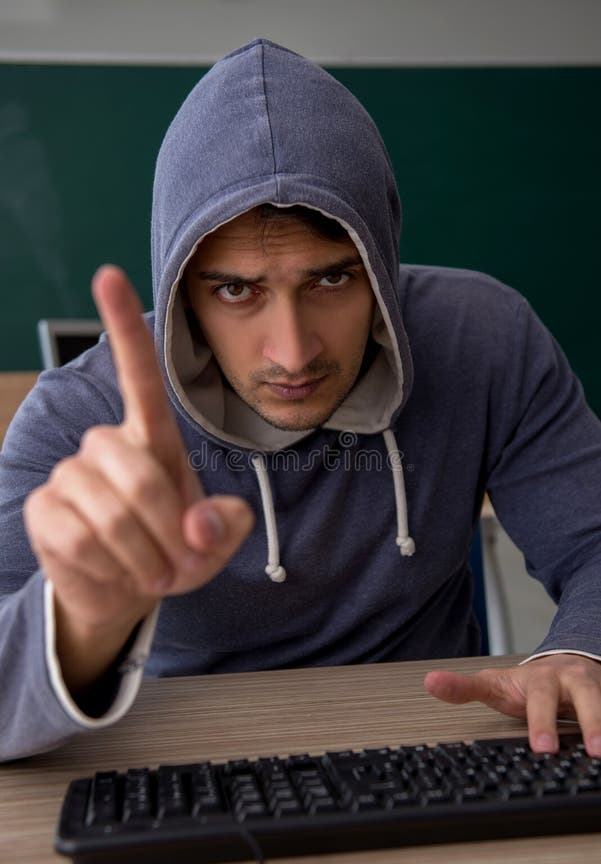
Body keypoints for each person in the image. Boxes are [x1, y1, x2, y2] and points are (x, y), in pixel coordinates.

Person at [1, 38, 601, 763]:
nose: (292, 352)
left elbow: (592, 541)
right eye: (235, 289)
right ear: (180, 287)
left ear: (379, 261)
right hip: (185, 763)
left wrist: (580, 649)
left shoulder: (483, 339)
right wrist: (83, 620)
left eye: (330, 281)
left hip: (431, 746)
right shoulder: (82, 414)